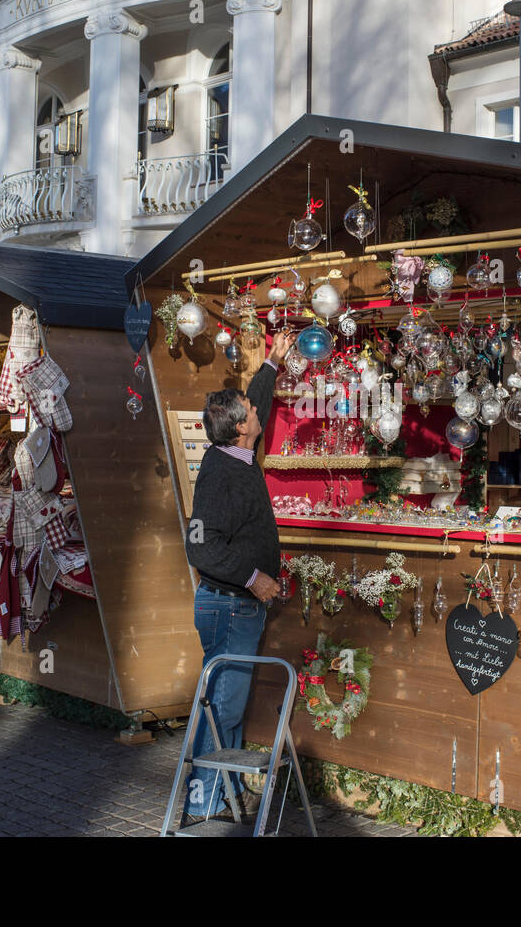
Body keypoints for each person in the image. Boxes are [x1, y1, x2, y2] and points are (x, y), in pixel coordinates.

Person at [182, 328, 294, 823]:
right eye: (249, 412)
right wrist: (253, 578)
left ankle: (218, 794)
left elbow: (258, 405)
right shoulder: (222, 474)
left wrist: (272, 362)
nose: (257, 412)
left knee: (226, 702)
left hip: (233, 605)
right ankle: (202, 798)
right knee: (223, 705)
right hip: (230, 605)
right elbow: (200, 545)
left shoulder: (237, 453)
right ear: (239, 429)